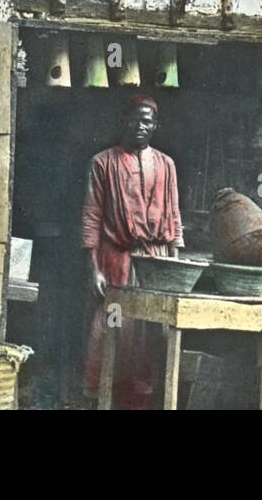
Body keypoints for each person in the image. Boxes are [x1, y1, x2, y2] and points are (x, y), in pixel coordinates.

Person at [80, 94, 183, 408]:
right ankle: (99, 400)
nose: (140, 126)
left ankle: (140, 402)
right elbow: (91, 216)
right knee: (111, 330)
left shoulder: (166, 164)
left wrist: (174, 261)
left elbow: (174, 214)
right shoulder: (103, 162)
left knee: (151, 336)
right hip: (116, 260)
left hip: (156, 261)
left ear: (156, 126)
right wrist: (93, 267)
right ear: (123, 122)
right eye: (134, 120)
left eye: (147, 121)